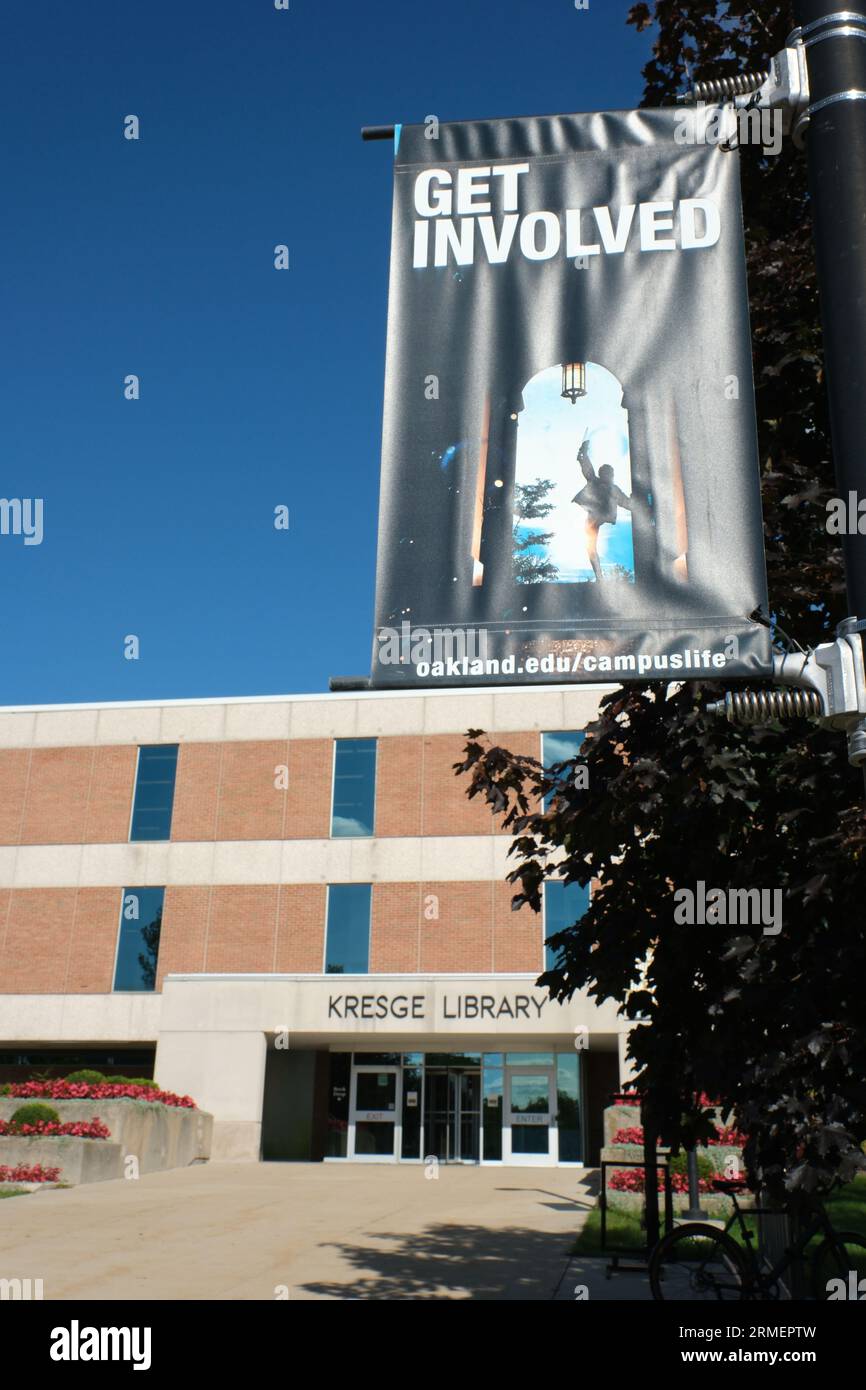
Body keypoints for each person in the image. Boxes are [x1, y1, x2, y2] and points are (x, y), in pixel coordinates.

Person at [572, 435, 635, 581]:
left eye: (609, 474)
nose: (608, 476)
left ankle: (599, 576)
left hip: (600, 515)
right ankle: (599, 576)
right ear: (603, 475)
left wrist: (635, 502)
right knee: (590, 548)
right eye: (606, 474)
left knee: (591, 547)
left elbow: (627, 503)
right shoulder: (596, 482)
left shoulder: (614, 489)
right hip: (594, 516)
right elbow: (588, 469)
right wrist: (583, 454)